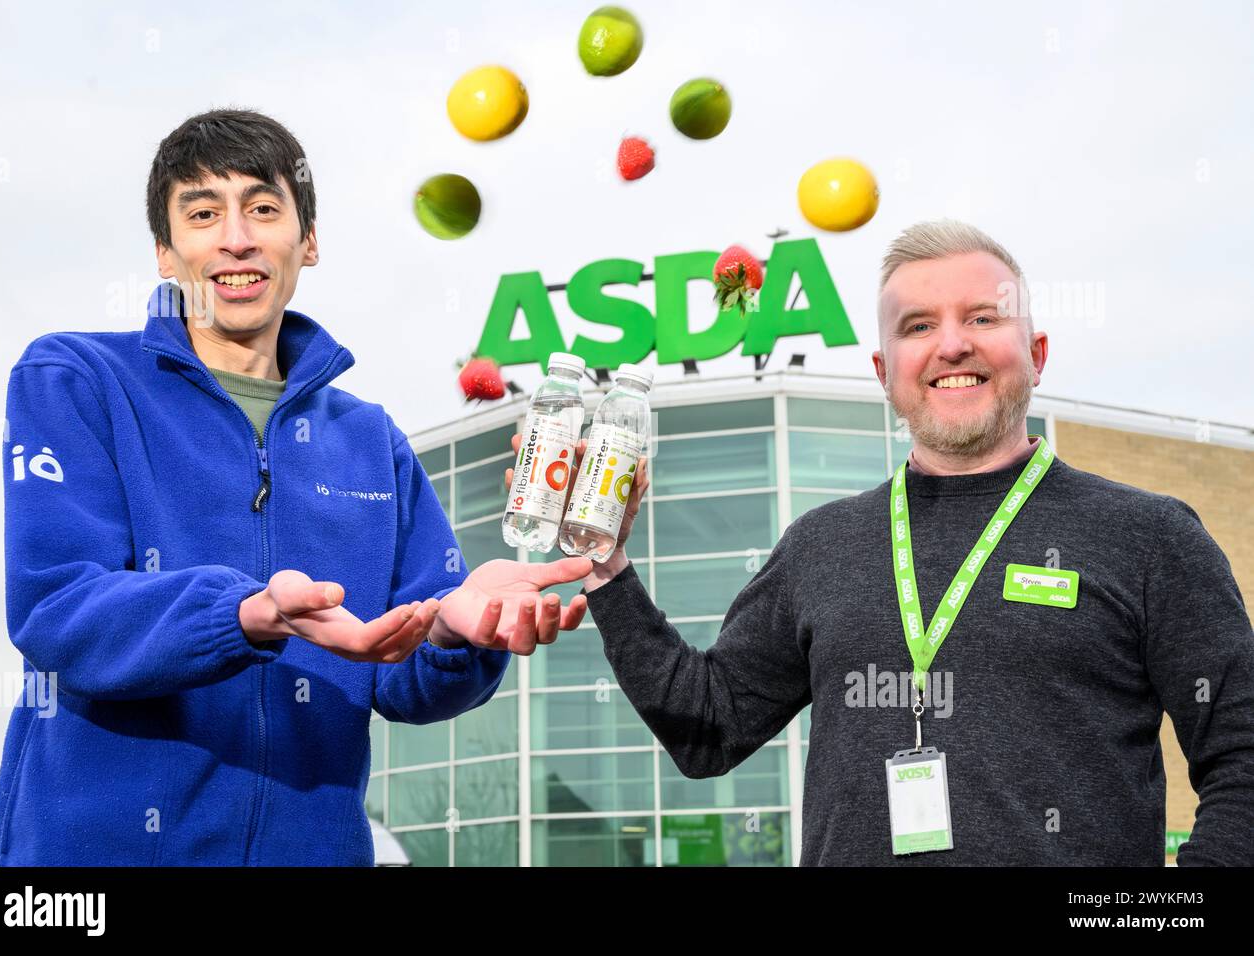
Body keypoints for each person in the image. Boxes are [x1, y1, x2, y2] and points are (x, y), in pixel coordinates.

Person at [515, 219, 1254, 866]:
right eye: (918, 326)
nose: (952, 344)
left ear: (1038, 353)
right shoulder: (821, 547)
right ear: (884, 372)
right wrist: (607, 564)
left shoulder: (1150, 538)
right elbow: (708, 727)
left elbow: (1242, 762)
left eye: (983, 318)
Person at [0, 107, 591, 866]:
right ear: (165, 254)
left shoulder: (372, 440)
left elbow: (404, 682)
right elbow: (58, 609)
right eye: (203, 213)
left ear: (307, 242)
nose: (236, 237)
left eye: (263, 208)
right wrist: (243, 614)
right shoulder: (74, 378)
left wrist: (452, 630)